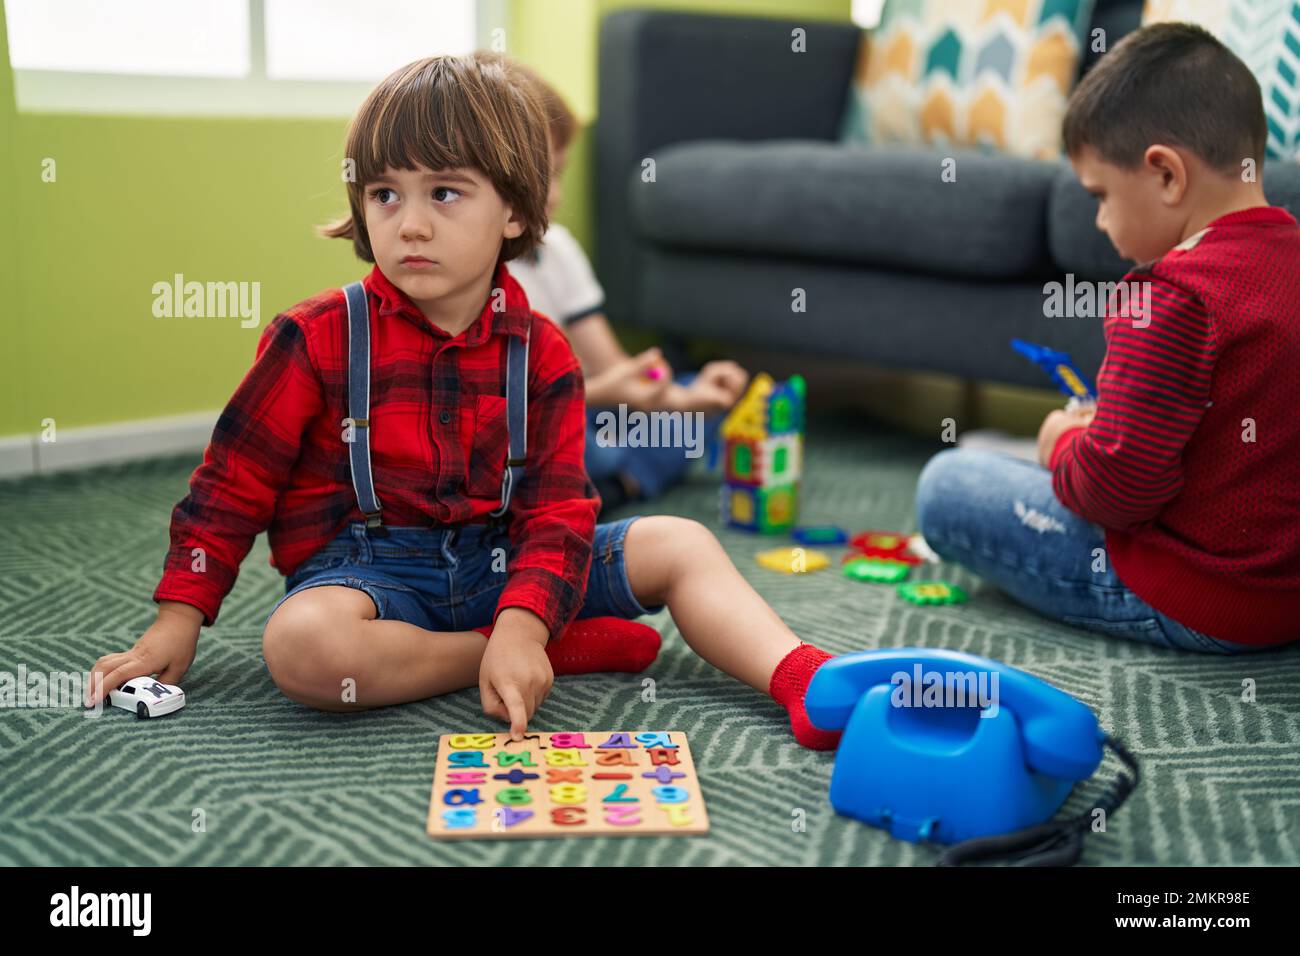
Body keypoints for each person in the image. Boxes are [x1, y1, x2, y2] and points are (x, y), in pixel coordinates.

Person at [85, 52, 844, 749]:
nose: (409, 223)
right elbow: (230, 486)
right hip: (370, 581)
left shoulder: (544, 353)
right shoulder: (313, 336)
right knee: (301, 650)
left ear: (514, 212)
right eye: (385, 194)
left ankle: (803, 677)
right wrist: (175, 619)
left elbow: (556, 509)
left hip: (506, 564)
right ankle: (528, 650)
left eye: (445, 192)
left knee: (680, 542)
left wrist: (524, 610)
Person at [914, 24, 1300, 652]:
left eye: (1100, 195)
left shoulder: (1170, 294)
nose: (1098, 219)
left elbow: (1116, 492)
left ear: (1166, 175)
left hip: (1199, 597)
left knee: (947, 484)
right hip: (1286, 597)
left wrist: (1064, 443)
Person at [506, 66, 750, 511]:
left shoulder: (555, 249)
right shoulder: (469, 273)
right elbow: (495, 400)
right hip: (527, 423)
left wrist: (680, 396)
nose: (555, 194)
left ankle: (614, 483)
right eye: (541, 174)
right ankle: (613, 478)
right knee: (578, 442)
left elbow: (615, 365)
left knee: (694, 414)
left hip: (586, 407)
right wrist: (603, 393)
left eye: (558, 173)